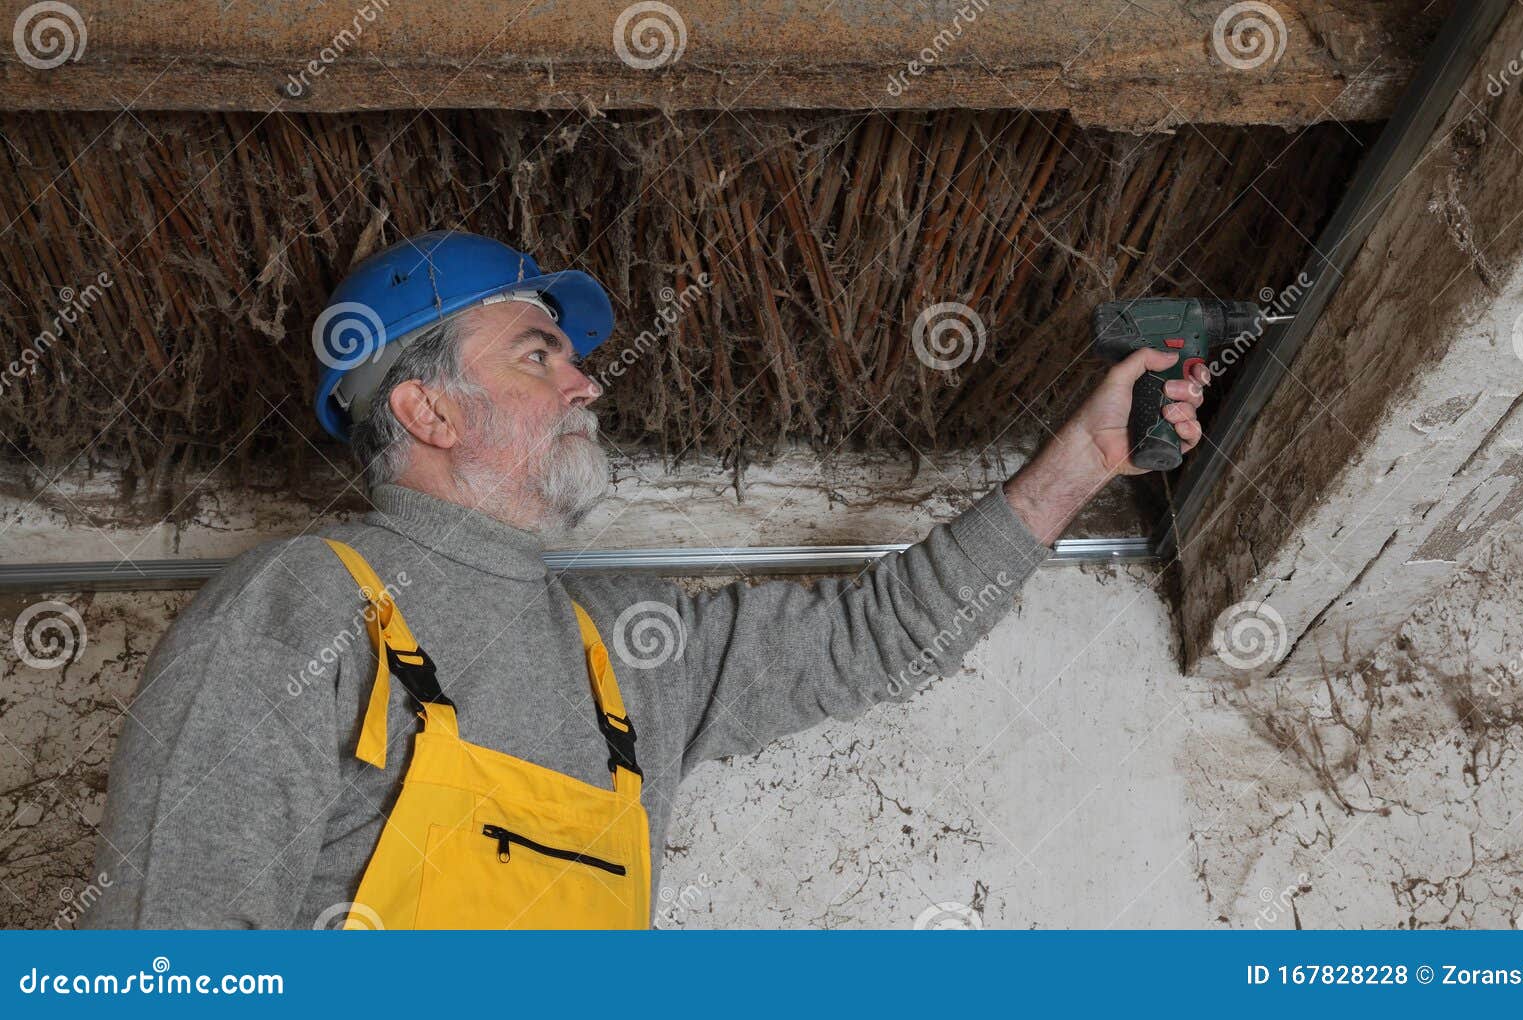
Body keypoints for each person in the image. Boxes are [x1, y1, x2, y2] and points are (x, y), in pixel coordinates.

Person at [83, 230, 1206, 929]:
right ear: (425, 410)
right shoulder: (303, 608)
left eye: (573, 358)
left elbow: (879, 640)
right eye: (539, 354)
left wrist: (1083, 464)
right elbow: (165, 960)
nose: (585, 384)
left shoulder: (622, 651)